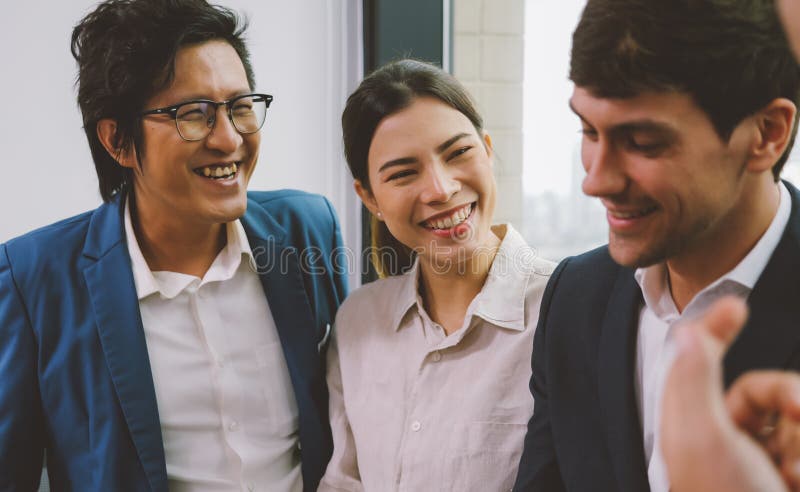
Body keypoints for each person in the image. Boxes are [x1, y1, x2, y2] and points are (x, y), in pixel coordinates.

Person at [0, 0, 347, 490]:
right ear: (118, 141)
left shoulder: (306, 230)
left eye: (240, 107)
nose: (228, 139)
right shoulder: (33, 280)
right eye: (194, 115)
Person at [513, 0, 800, 491]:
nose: (595, 181)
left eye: (643, 142)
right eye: (588, 131)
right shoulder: (574, 299)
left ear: (766, 134)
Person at [317, 59, 554, 491]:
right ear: (369, 198)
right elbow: (343, 481)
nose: (442, 189)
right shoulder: (358, 320)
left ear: (486, 149)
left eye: (458, 153)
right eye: (403, 173)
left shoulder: (561, 312)